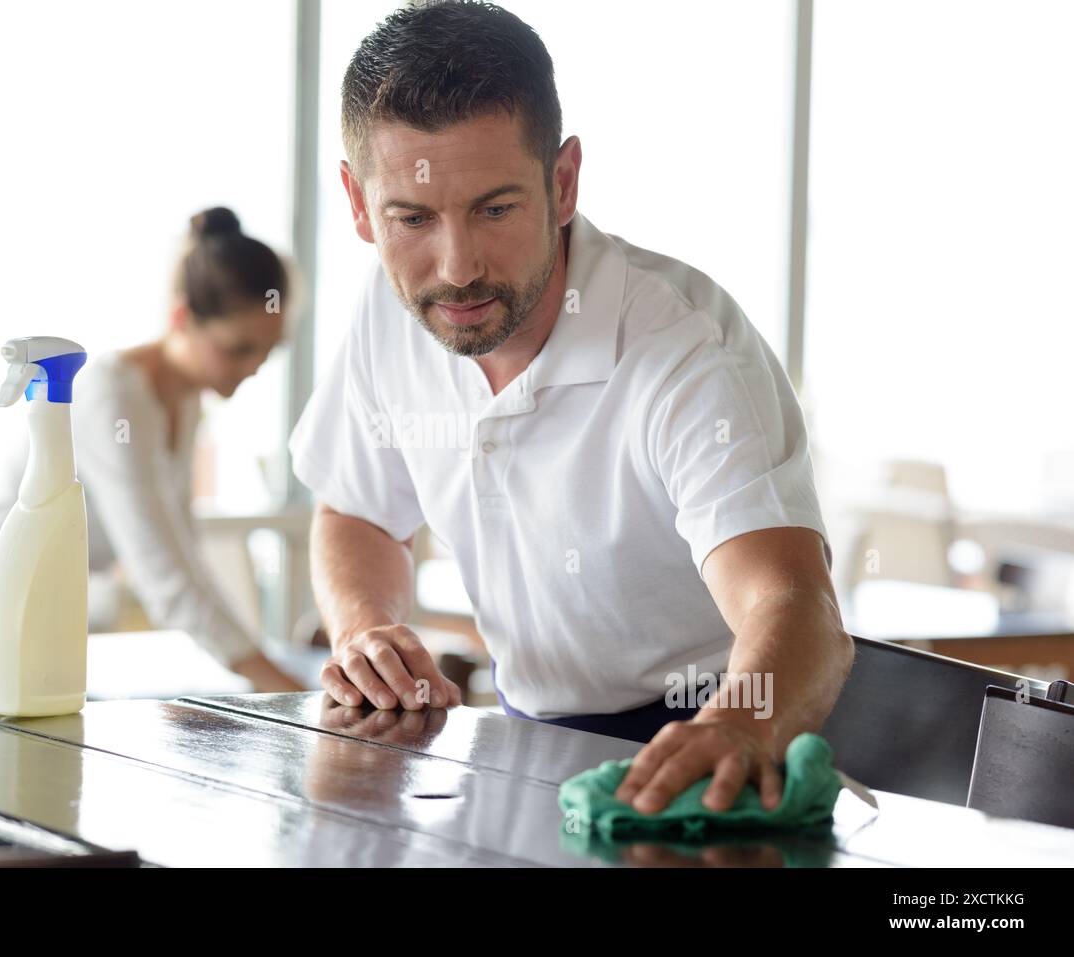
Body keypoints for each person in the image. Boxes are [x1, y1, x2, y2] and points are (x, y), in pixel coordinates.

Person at [289, 1, 854, 815]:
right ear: (356, 202)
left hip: (716, 741)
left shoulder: (683, 348)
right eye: (411, 218)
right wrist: (365, 627)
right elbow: (357, 511)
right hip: (523, 747)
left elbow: (795, 605)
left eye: (495, 208)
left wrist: (738, 725)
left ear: (562, 182)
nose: (456, 268)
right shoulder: (388, 312)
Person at [0, 206, 304, 710]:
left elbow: (183, 553)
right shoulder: (111, 395)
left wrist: (267, 670)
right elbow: (164, 574)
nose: (253, 368)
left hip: (30, 615)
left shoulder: (184, 404)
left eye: (267, 351)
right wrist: (282, 685)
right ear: (182, 318)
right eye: (238, 348)